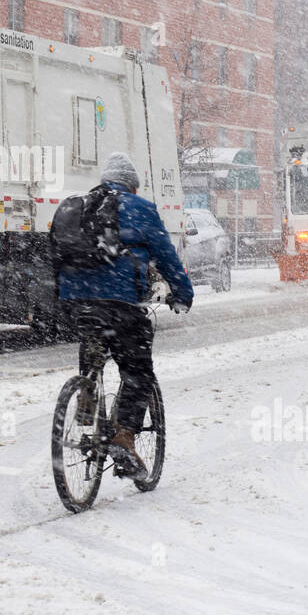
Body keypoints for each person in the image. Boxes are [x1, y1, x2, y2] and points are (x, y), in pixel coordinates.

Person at [53, 152, 195, 480]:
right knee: (137, 370)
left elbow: (57, 254)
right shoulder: (140, 208)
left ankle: (87, 400)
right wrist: (183, 294)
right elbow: (166, 257)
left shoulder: (79, 206)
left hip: (77, 299)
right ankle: (124, 437)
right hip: (120, 302)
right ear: (132, 185)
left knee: (93, 342)